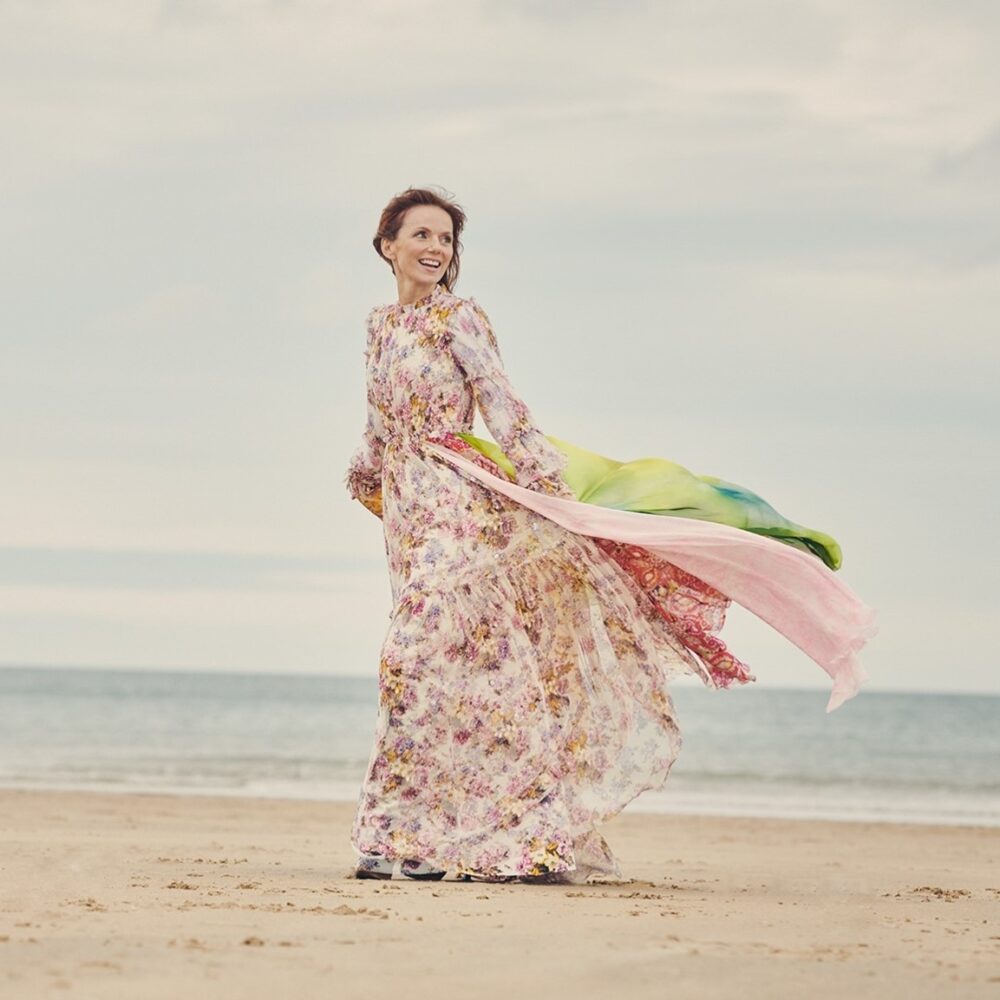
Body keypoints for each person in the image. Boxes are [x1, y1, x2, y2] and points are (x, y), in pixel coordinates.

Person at [345, 187, 875, 884]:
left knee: (414, 657)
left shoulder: (460, 317)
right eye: (421, 235)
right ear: (387, 245)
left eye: (446, 238)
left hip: (461, 506)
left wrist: (550, 490)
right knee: (449, 675)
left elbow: (503, 404)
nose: (435, 248)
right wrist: (365, 472)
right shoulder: (380, 326)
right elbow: (380, 420)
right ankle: (404, 839)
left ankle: (487, 836)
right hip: (409, 515)